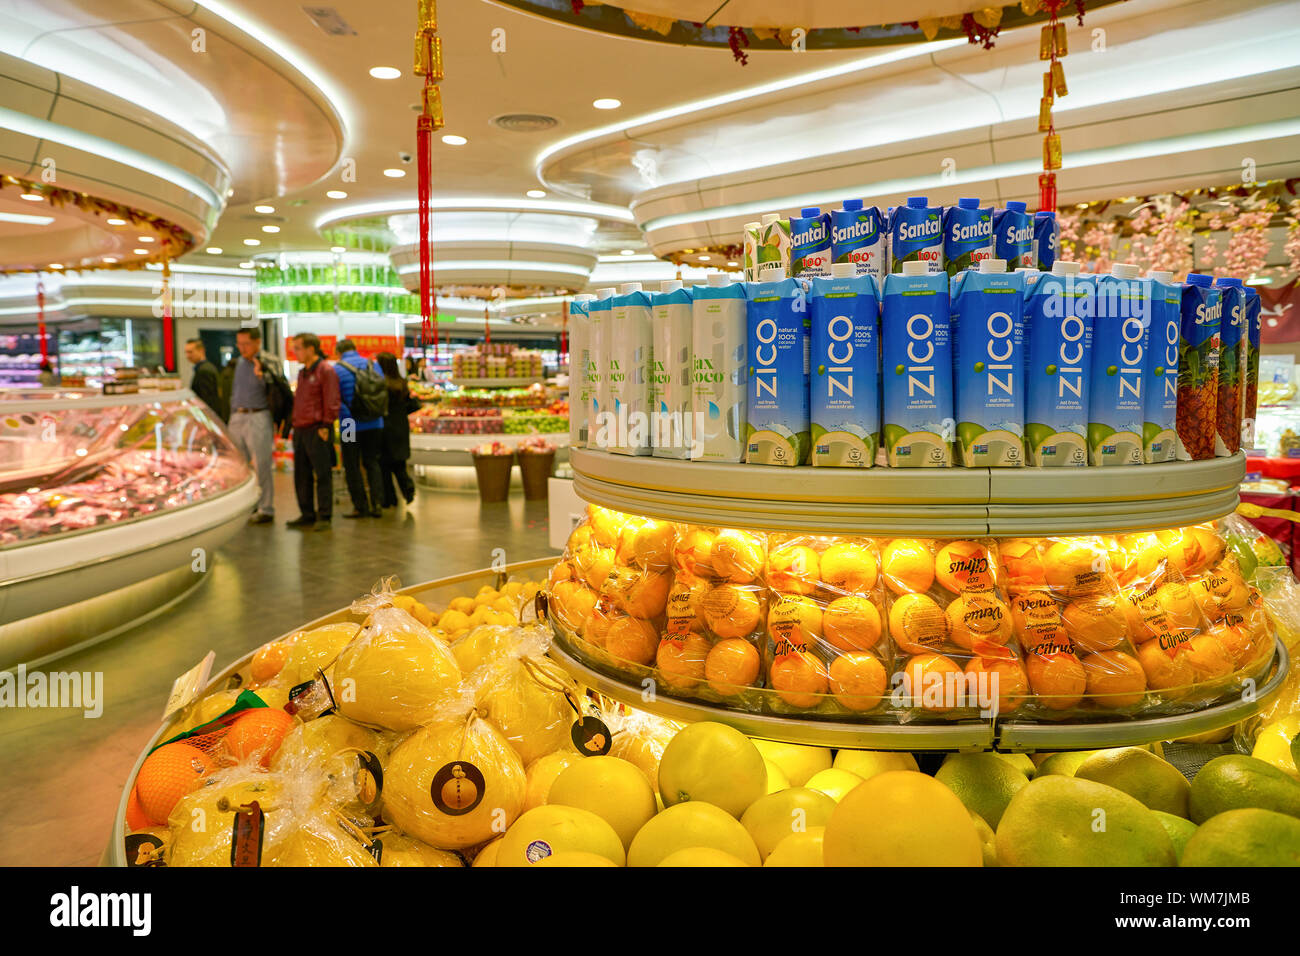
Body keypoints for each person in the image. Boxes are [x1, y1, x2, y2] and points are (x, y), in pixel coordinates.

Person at [221, 328, 286, 524]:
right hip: (237, 416)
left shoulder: (269, 361)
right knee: (239, 464)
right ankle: (247, 505)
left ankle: (266, 508)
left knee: (261, 465)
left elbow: (279, 387)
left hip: (258, 415)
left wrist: (262, 374)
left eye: (246, 344)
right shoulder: (238, 363)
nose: (242, 348)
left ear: (257, 342)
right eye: (239, 344)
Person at [288, 332, 340, 531]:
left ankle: (324, 515)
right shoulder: (303, 372)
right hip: (301, 428)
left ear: (311, 349)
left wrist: (326, 425)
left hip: (318, 429)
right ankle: (306, 513)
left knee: (322, 473)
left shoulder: (325, 370)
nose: (295, 352)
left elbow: (332, 399)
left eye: (298, 348)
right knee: (301, 474)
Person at [334, 338, 385, 518]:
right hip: (375, 421)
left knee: (352, 464)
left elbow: (336, 399)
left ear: (338, 352)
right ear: (355, 350)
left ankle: (360, 506)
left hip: (349, 424)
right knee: (372, 462)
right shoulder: (373, 365)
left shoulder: (337, 368)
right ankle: (377, 504)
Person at [376, 351, 419, 507]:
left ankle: (388, 499)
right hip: (400, 426)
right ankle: (408, 490)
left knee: (384, 466)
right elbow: (411, 404)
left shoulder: (380, 384)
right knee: (399, 464)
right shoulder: (401, 382)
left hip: (384, 427)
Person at [183, 338, 222, 417]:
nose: (187, 356)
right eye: (186, 352)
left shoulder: (205, 370)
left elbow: (207, 401)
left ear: (201, 351)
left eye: (190, 352)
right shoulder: (204, 367)